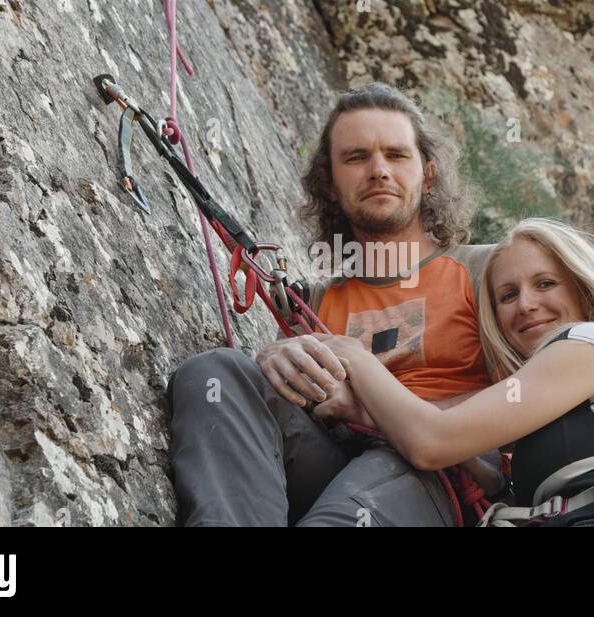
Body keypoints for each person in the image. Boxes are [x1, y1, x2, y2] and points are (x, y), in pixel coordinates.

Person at [167, 82, 507, 526]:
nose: (379, 170)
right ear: (330, 184)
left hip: (437, 475)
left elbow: (531, 395)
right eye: (356, 157)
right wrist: (275, 360)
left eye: (397, 155)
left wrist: (377, 409)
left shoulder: (486, 272)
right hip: (332, 461)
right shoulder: (315, 303)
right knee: (213, 373)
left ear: (428, 175)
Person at [315, 218, 594, 527]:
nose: (526, 305)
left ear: (584, 290)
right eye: (508, 295)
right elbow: (466, 454)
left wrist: (356, 355)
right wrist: (369, 415)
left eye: (545, 283)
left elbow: (431, 439)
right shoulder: (559, 391)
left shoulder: (591, 343)